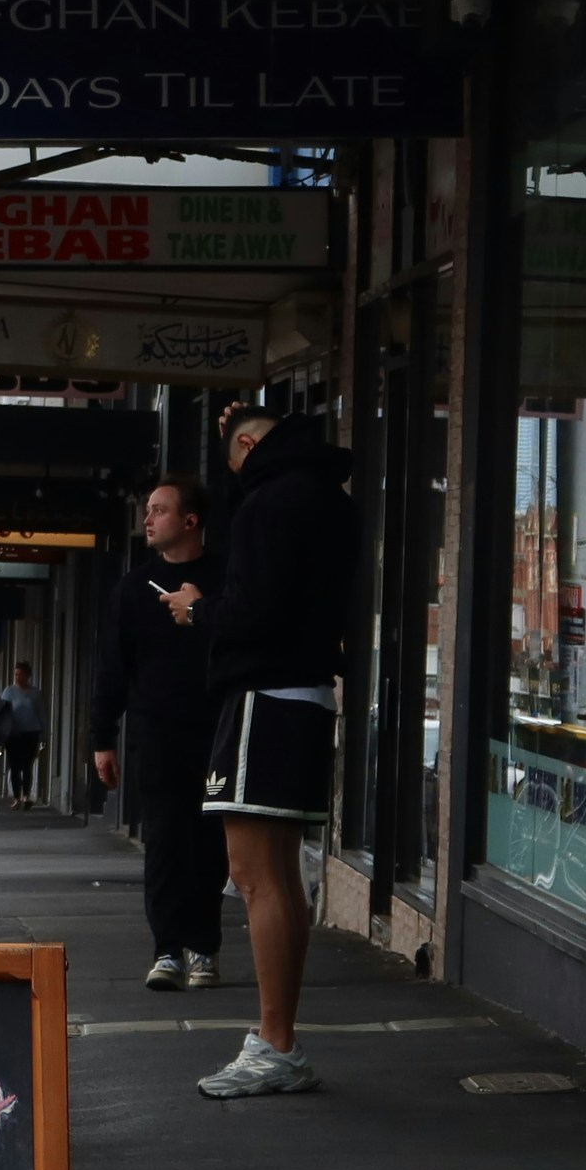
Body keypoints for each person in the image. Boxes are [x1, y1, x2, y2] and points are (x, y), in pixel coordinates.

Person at [186, 403, 359, 1100]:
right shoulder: (329, 501)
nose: (232, 479)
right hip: (308, 692)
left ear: (249, 447)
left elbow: (252, 609)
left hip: (263, 696)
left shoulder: (268, 504)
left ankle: (276, 1044)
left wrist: (198, 608)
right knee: (280, 875)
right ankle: (277, 1039)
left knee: (254, 874)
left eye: (233, 461)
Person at [91, 478, 227, 992]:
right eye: (147, 509)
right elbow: (112, 668)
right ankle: (167, 949)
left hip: (218, 733)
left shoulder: (224, 580)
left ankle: (205, 948)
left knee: (211, 844)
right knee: (165, 841)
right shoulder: (131, 588)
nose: (147, 519)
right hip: (157, 735)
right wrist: (101, 737)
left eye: (159, 510)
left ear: (190, 521)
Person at [0, 663, 47, 805]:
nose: (17, 677)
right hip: (13, 734)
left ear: (27, 676)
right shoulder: (9, 691)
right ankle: (16, 797)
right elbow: (3, 712)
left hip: (31, 732)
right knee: (14, 765)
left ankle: (26, 795)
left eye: (20, 674)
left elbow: (41, 714)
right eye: (15, 674)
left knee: (27, 765)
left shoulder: (35, 693)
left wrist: (44, 734)